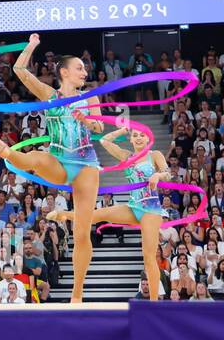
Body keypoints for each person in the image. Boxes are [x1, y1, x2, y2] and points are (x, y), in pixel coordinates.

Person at [0, 34, 108, 303]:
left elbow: (100, 128)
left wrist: (87, 121)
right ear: (63, 72)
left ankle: (77, 292)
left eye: (85, 69)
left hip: (86, 166)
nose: (85, 72)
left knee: (83, 232)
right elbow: (19, 70)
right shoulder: (49, 95)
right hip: (59, 161)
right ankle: (5, 150)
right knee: (38, 156)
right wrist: (31, 46)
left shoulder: (90, 98)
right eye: (79, 68)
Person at [52, 117, 170, 301]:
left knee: (148, 256)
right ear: (131, 139)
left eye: (142, 136)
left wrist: (157, 174)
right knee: (97, 215)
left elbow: (169, 174)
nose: (138, 138)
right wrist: (122, 131)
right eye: (135, 136)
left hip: (151, 210)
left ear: (148, 139)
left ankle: (154, 302)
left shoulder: (154, 155)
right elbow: (104, 141)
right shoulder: (126, 156)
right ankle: (67, 215)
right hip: (133, 206)